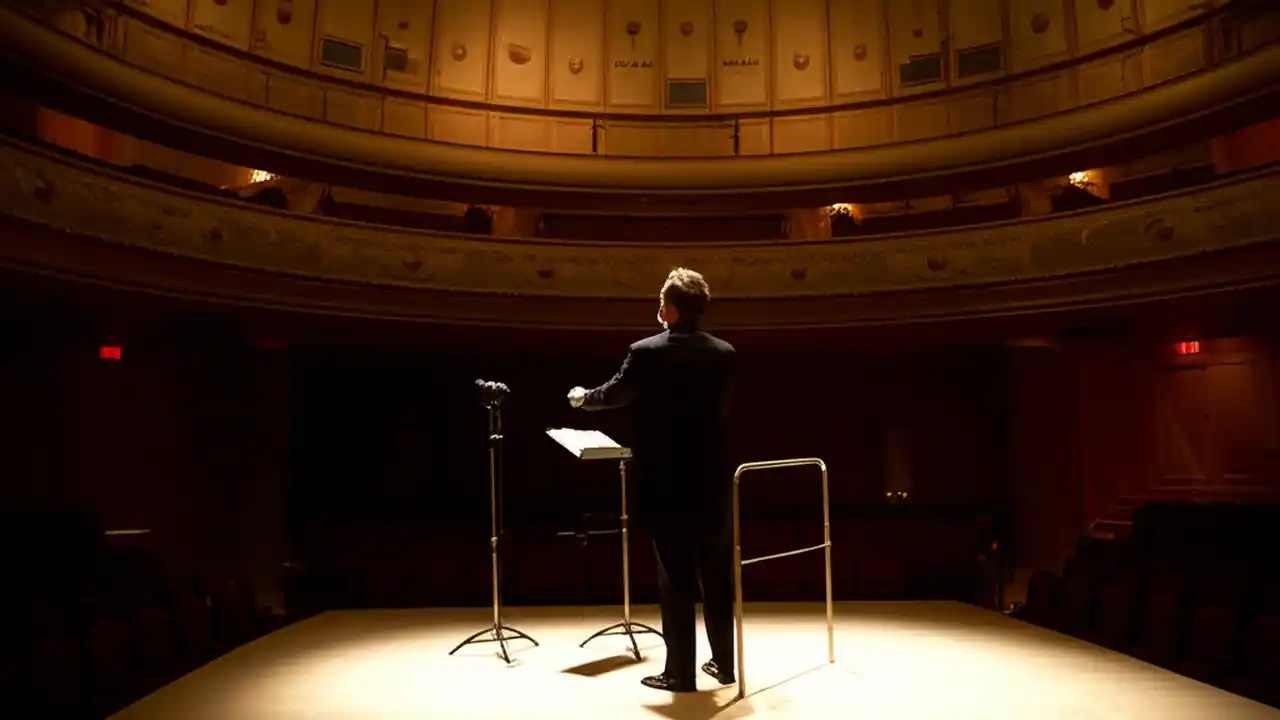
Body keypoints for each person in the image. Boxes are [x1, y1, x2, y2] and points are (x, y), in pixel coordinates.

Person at [567, 267, 737, 693]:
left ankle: (680, 672)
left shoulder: (646, 352)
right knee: (716, 576)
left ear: (672, 308)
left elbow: (616, 393)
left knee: (675, 579)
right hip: (713, 484)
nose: (658, 309)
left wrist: (583, 398)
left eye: (661, 302)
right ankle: (724, 665)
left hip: (666, 485)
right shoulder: (725, 354)